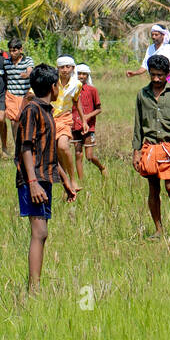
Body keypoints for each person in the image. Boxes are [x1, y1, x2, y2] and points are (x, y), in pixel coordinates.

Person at [17, 63, 78, 291]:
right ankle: (34, 288)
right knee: (39, 232)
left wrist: (65, 181)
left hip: (44, 178)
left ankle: (35, 285)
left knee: (42, 233)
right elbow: (26, 148)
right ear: (53, 87)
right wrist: (32, 183)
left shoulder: (47, 112)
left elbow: (49, 151)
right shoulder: (32, 110)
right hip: (33, 180)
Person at [132, 54, 170, 234]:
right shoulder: (142, 94)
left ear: (167, 74)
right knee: (153, 187)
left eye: (160, 75)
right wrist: (136, 151)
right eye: (153, 75)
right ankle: (159, 229)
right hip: (150, 147)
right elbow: (137, 125)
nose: (156, 79)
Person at [51, 56, 82, 193]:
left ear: (72, 68)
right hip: (50, 119)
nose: (64, 70)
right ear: (57, 68)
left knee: (63, 146)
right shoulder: (51, 82)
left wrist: (83, 120)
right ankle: (66, 185)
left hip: (65, 118)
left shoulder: (77, 84)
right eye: (62, 67)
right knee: (57, 153)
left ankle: (73, 179)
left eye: (67, 67)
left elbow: (76, 101)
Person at [72, 64, 106, 182]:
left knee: (89, 156)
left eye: (84, 74)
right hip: (75, 126)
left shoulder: (92, 90)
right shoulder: (72, 89)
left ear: (87, 75)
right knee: (77, 153)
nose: (81, 76)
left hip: (89, 127)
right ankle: (81, 181)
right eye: (79, 73)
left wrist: (87, 116)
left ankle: (102, 168)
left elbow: (99, 108)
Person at [4, 40, 34, 153]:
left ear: (20, 50)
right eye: (10, 50)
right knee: (13, 122)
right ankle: (18, 147)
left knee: (26, 121)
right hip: (11, 95)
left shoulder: (27, 60)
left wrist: (27, 74)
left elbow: (30, 70)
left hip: (25, 96)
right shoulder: (6, 62)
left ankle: (27, 146)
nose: (12, 53)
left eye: (15, 50)